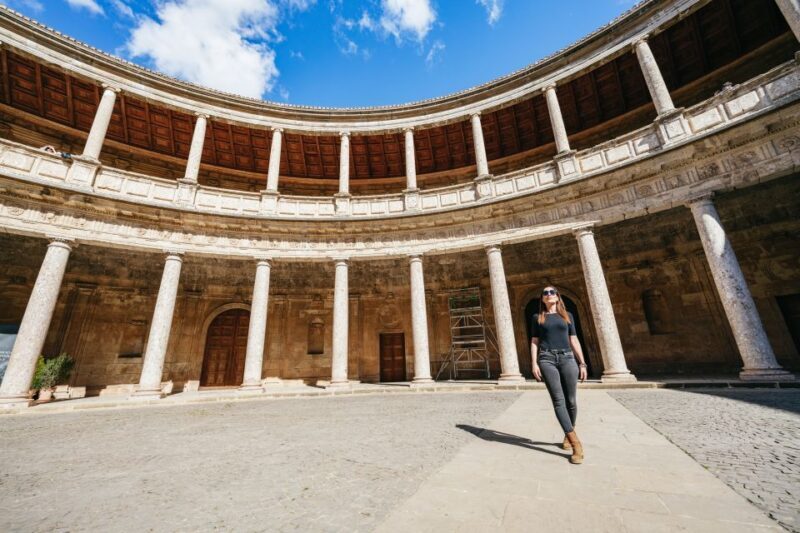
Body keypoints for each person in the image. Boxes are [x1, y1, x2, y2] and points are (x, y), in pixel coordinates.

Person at [530, 286, 588, 464]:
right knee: (558, 400)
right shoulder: (537, 317)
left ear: (557, 296)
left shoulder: (567, 316)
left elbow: (574, 339)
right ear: (542, 298)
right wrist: (534, 363)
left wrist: (582, 363)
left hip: (567, 358)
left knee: (571, 400)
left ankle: (567, 432)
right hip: (546, 358)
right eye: (545, 293)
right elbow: (534, 341)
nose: (548, 295)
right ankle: (574, 441)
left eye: (552, 292)